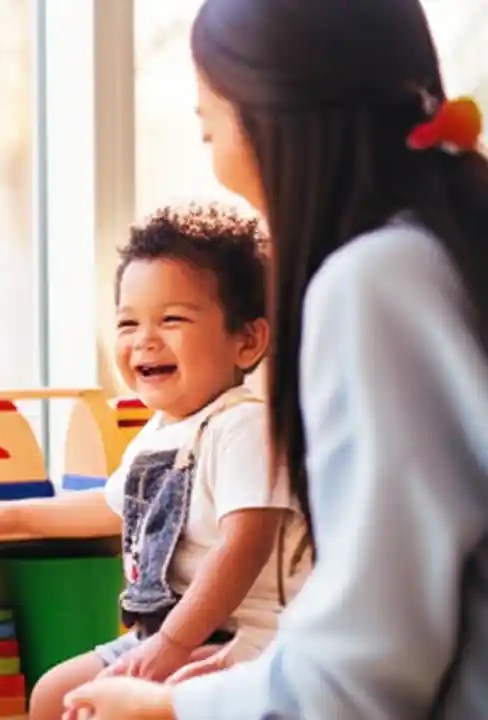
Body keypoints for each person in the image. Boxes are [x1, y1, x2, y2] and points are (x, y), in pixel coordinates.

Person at [62, 0, 488, 718]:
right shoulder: (450, 248)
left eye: (208, 127)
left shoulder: (377, 282)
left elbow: (369, 664)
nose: (217, 160)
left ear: (268, 121)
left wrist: (166, 709)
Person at [0, 203, 310, 720]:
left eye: (171, 319)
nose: (144, 338)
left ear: (246, 340)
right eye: (127, 322)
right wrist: (14, 515)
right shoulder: (159, 433)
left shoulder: (243, 426)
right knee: (54, 695)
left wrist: (172, 645)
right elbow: (112, 507)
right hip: (164, 632)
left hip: (249, 641)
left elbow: (244, 545)